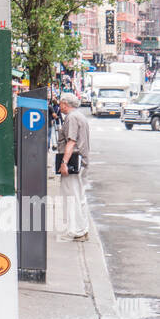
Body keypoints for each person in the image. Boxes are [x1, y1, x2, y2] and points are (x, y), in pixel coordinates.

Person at [56, 92, 90, 240]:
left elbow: (71, 142)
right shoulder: (80, 116)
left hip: (73, 162)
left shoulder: (71, 118)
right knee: (79, 196)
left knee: (72, 196)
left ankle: (76, 231)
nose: (59, 106)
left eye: (60, 104)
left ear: (65, 104)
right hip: (81, 161)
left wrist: (64, 162)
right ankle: (82, 228)